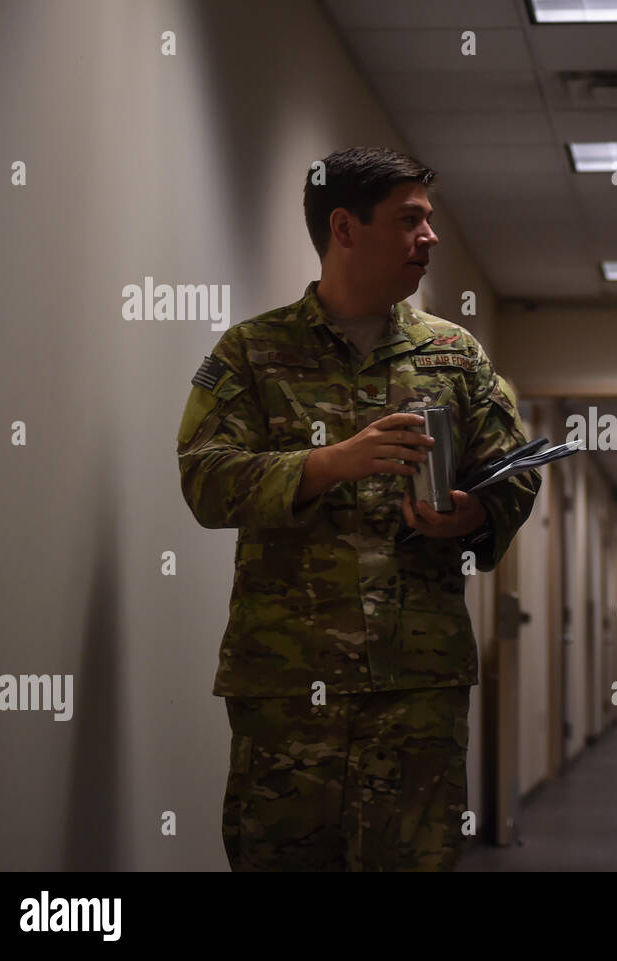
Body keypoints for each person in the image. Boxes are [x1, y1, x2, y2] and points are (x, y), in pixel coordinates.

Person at [176, 146, 540, 871]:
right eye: (410, 221)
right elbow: (205, 480)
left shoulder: (454, 356)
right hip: (285, 688)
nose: (429, 238)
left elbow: (515, 475)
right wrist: (328, 462)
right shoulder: (253, 351)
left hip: (418, 685)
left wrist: (469, 513)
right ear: (344, 227)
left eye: (429, 221)